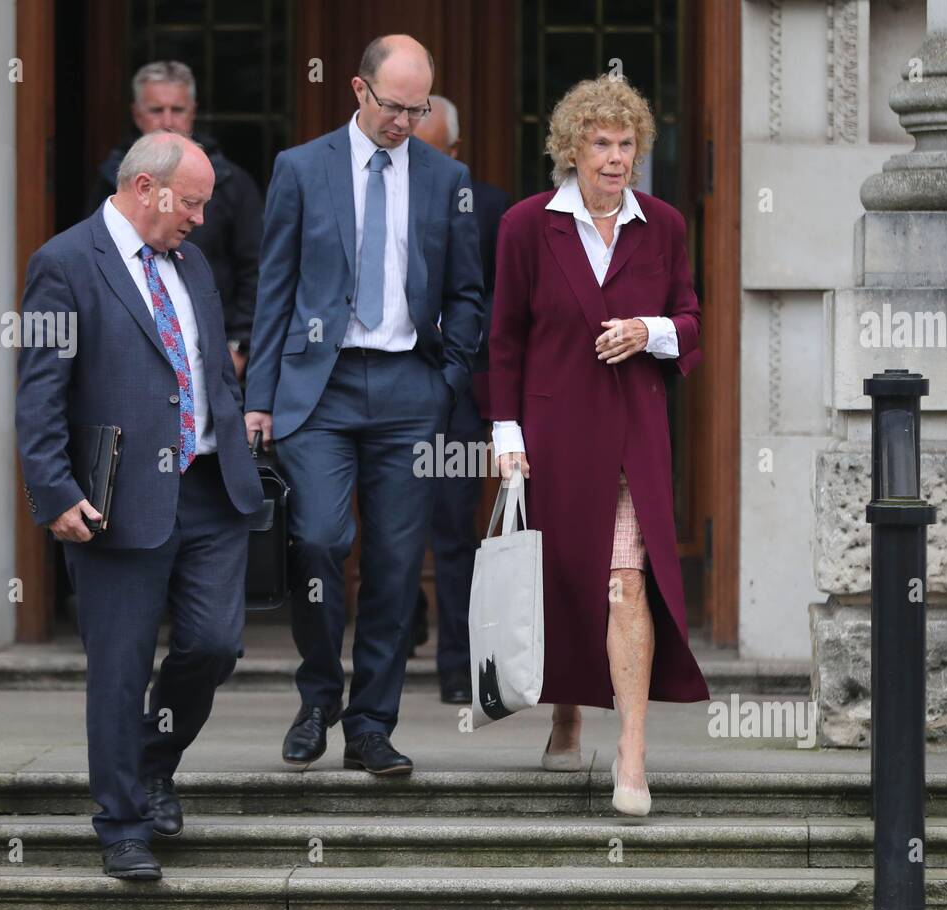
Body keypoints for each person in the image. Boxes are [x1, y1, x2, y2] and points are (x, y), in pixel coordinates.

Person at [18, 130, 264, 879]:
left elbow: (208, 369)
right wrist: (54, 489)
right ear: (146, 188)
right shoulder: (63, 263)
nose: (198, 219)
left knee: (215, 642)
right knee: (120, 669)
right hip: (116, 498)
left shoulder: (192, 264)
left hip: (211, 489)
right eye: (190, 203)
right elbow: (38, 391)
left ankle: (153, 763)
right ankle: (122, 824)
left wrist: (240, 419)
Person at [244, 36, 482, 774]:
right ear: (358, 89)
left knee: (395, 562)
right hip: (319, 387)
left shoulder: (449, 180)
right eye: (393, 105)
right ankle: (320, 694)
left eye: (417, 109)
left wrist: (446, 381)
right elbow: (274, 289)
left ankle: (372, 724)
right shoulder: (301, 168)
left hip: (411, 390)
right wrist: (259, 398)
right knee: (316, 538)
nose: (404, 122)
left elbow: (469, 294)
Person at [488, 75, 709, 816]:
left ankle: (633, 750)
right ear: (571, 149)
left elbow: (690, 316)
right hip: (552, 431)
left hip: (632, 433)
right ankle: (566, 711)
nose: (615, 159)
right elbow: (505, 336)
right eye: (600, 143)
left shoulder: (665, 225)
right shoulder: (526, 225)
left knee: (623, 579)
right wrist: (505, 431)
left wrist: (650, 331)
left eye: (626, 144)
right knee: (566, 576)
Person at [410, 95, 511, 704]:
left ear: (454, 153)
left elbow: (503, 301)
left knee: (453, 531)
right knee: (386, 530)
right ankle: (394, 643)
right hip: (383, 391)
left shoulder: (492, 208)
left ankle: (456, 662)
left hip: (458, 395)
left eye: (431, 148)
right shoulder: (369, 199)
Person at [88, 60, 264, 382]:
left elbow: (255, 270)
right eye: (156, 110)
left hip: (210, 348)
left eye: (177, 109)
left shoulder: (231, 183)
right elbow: (92, 265)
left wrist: (239, 344)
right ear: (137, 114)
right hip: (126, 354)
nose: (167, 121)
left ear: (193, 111)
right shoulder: (108, 180)